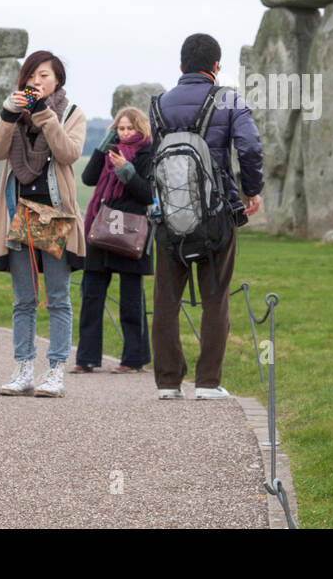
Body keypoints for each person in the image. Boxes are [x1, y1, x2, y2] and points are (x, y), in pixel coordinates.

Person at [151, 34, 263, 400]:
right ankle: (207, 383)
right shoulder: (228, 99)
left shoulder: (160, 104)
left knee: (166, 300)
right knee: (216, 297)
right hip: (218, 215)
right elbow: (249, 146)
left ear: (181, 66)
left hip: (168, 216)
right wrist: (251, 189)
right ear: (216, 66)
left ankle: (168, 383)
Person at [0, 49, 86, 397]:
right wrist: (7, 115)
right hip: (18, 213)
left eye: (44, 75)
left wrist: (44, 115)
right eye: (31, 76)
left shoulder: (72, 113)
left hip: (54, 213)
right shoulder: (13, 114)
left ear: (58, 79)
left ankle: (55, 370)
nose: (36, 81)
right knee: (23, 300)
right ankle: (24, 368)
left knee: (57, 298)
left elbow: (68, 153)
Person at [77, 106, 154, 374]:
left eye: (129, 128)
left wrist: (127, 170)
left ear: (140, 129)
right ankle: (86, 357)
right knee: (91, 294)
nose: (124, 133)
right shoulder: (110, 151)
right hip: (101, 224)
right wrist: (102, 148)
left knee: (132, 298)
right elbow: (87, 178)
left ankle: (133, 359)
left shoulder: (147, 153)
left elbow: (147, 194)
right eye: (120, 128)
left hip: (130, 228)